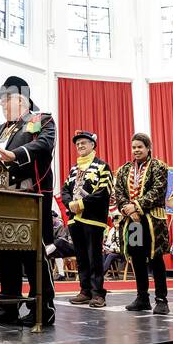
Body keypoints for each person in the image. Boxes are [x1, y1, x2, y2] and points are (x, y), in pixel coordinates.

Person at [0, 75, 57, 327]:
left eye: (6, 101)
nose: (2, 106)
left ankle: (42, 307)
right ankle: (8, 306)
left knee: (33, 254)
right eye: (2, 102)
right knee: (6, 254)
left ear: (21, 101)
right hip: (2, 199)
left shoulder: (40, 120)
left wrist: (13, 155)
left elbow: (44, 145)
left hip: (30, 198)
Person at [113, 132, 171, 314]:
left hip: (151, 221)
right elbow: (119, 192)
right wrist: (128, 208)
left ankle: (162, 300)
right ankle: (142, 298)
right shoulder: (123, 170)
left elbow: (158, 190)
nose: (136, 150)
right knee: (137, 257)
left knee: (155, 258)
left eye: (140, 147)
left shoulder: (159, 166)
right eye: (134, 147)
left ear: (148, 148)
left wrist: (136, 206)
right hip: (133, 222)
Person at [60, 130, 113, 308]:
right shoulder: (74, 169)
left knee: (94, 256)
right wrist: (69, 205)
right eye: (78, 143)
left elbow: (104, 191)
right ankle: (85, 290)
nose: (80, 146)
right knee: (82, 256)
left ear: (93, 145)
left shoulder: (102, 167)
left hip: (93, 218)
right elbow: (65, 190)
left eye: (84, 142)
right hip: (75, 219)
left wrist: (81, 204)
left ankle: (98, 293)